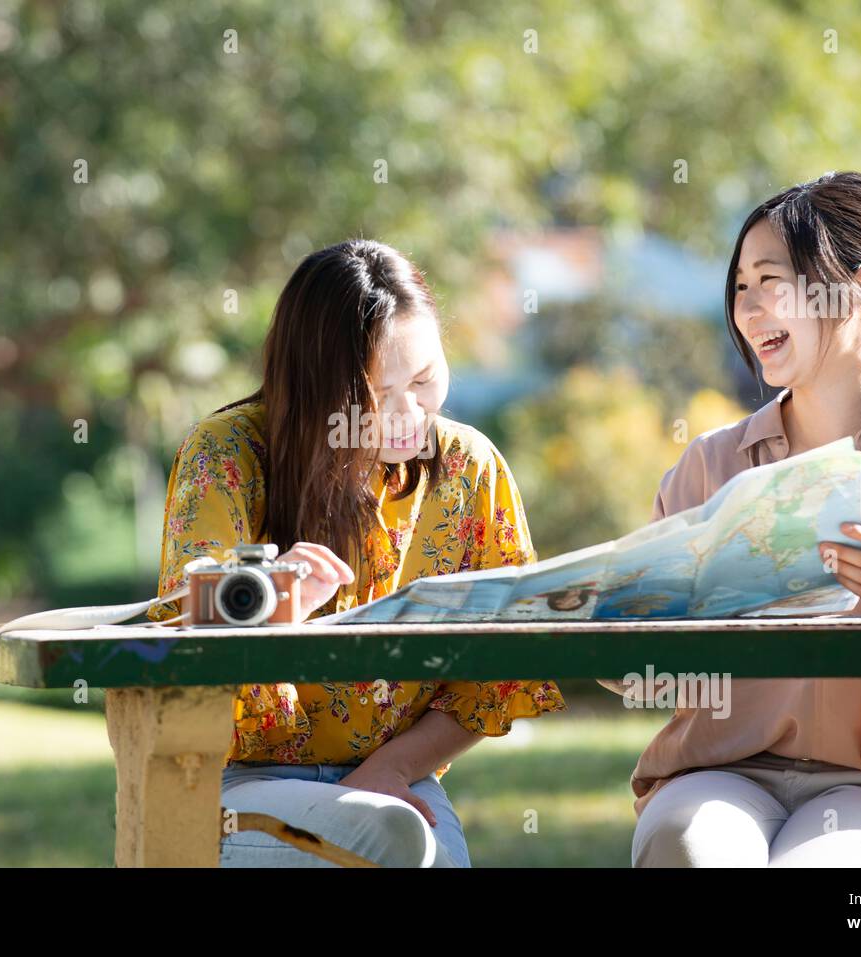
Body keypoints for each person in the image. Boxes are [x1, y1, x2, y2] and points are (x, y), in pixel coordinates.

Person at [613, 171, 861, 867]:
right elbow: (639, 645)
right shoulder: (711, 462)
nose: (750, 310)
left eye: (773, 282)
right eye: (740, 287)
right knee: (689, 848)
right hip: (719, 770)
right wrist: (617, 636)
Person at [150, 239, 565, 867]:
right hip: (236, 781)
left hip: (398, 777)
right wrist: (274, 603)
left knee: (407, 841)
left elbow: (500, 672)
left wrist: (391, 770)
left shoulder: (469, 469)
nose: (408, 413)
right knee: (396, 844)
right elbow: (181, 626)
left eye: (425, 380)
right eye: (374, 394)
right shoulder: (227, 454)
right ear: (315, 388)